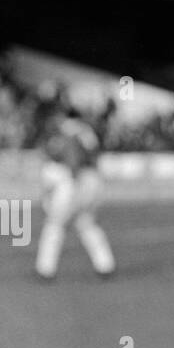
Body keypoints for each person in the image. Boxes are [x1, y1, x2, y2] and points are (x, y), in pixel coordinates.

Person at [34, 107, 116, 280]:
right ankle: (105, 264)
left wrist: (72, 181)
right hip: (93, 180)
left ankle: (45, 268)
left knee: (54, 224)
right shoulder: (88, 132)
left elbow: (73, 158)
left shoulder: (69, 131)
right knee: (86, 222)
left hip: (75, 181)